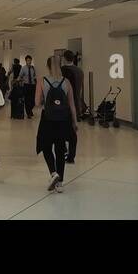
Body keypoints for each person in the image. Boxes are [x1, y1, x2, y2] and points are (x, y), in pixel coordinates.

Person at [35, 55, 78, 193]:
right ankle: (60, 183)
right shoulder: (66, 82)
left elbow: (37, 102)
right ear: (60, 65)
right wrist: (74, 122)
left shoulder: (42, 80)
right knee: (60, 149)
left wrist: (45, 102)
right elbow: (72, 105)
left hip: (47, 118)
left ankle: (53, 173)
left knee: (46, 146)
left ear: (47, 66)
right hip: (63, 119)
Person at [61, 50, 84, 163]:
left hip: (65, 105)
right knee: (72, 130)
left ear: (64, 58)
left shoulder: (64, 71)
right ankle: (71, 155)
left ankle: (65, 152)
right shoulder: (80, 71)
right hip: (77, 103)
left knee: (61, 129)